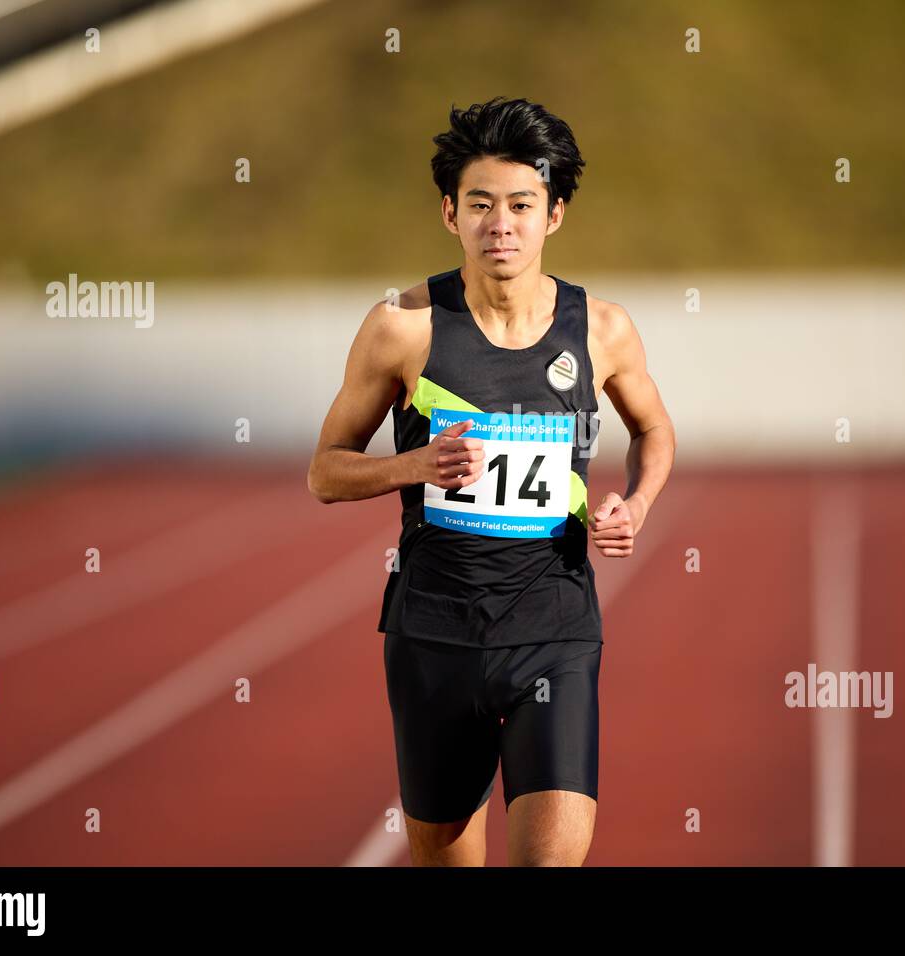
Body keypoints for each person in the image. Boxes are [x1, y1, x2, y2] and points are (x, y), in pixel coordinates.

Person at [306, 97, 674, 866]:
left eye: (520, 205)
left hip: (555, 629)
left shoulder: (601, 329)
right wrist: (414, 465)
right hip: (434, 635)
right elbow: (326, 472)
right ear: (450, 214)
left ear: (554, 214)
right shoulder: (403, 327)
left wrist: (634, 504)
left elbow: (653, 431)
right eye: (480, 205)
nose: (499, 224)